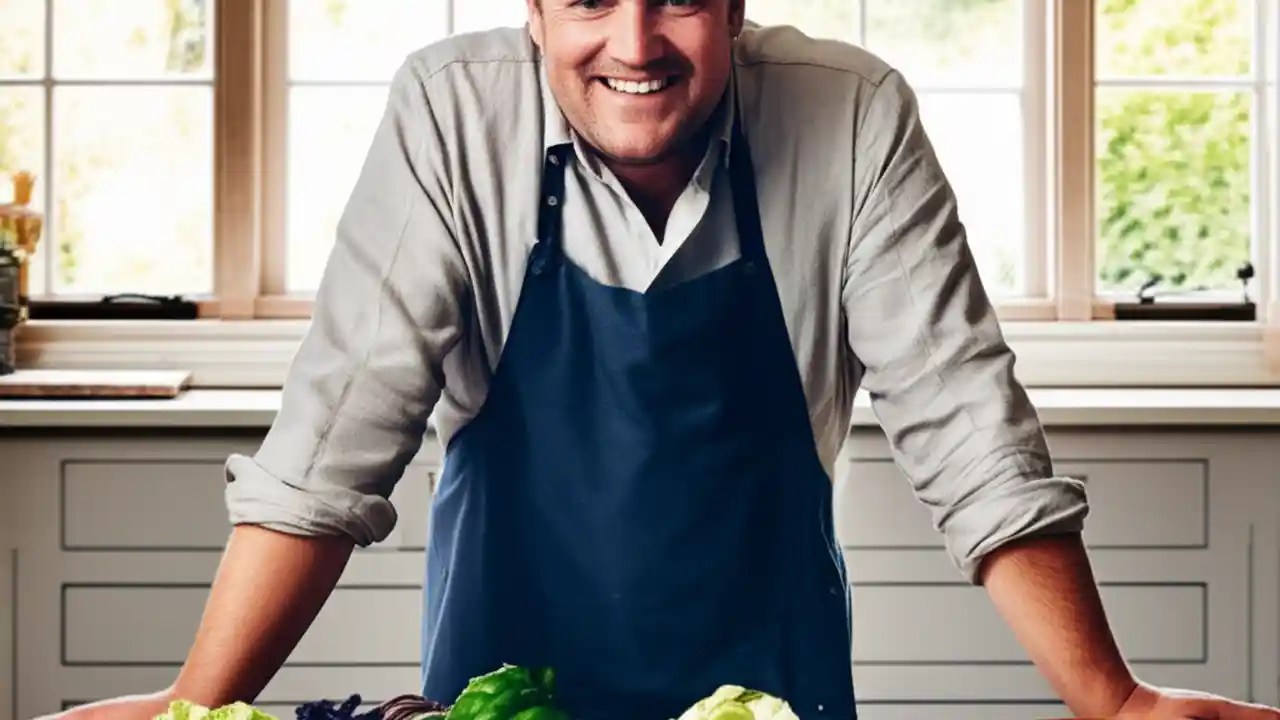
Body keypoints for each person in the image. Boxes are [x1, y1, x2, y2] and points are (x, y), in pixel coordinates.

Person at [52, 1, 1278, 719]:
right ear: (531, 5)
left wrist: (1111, 703)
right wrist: (194, 712)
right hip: (500, 693)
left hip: (771, 692)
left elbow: (968, 432)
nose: (634, 42)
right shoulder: (448, 111)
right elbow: (332, 445)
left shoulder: (849, 113)